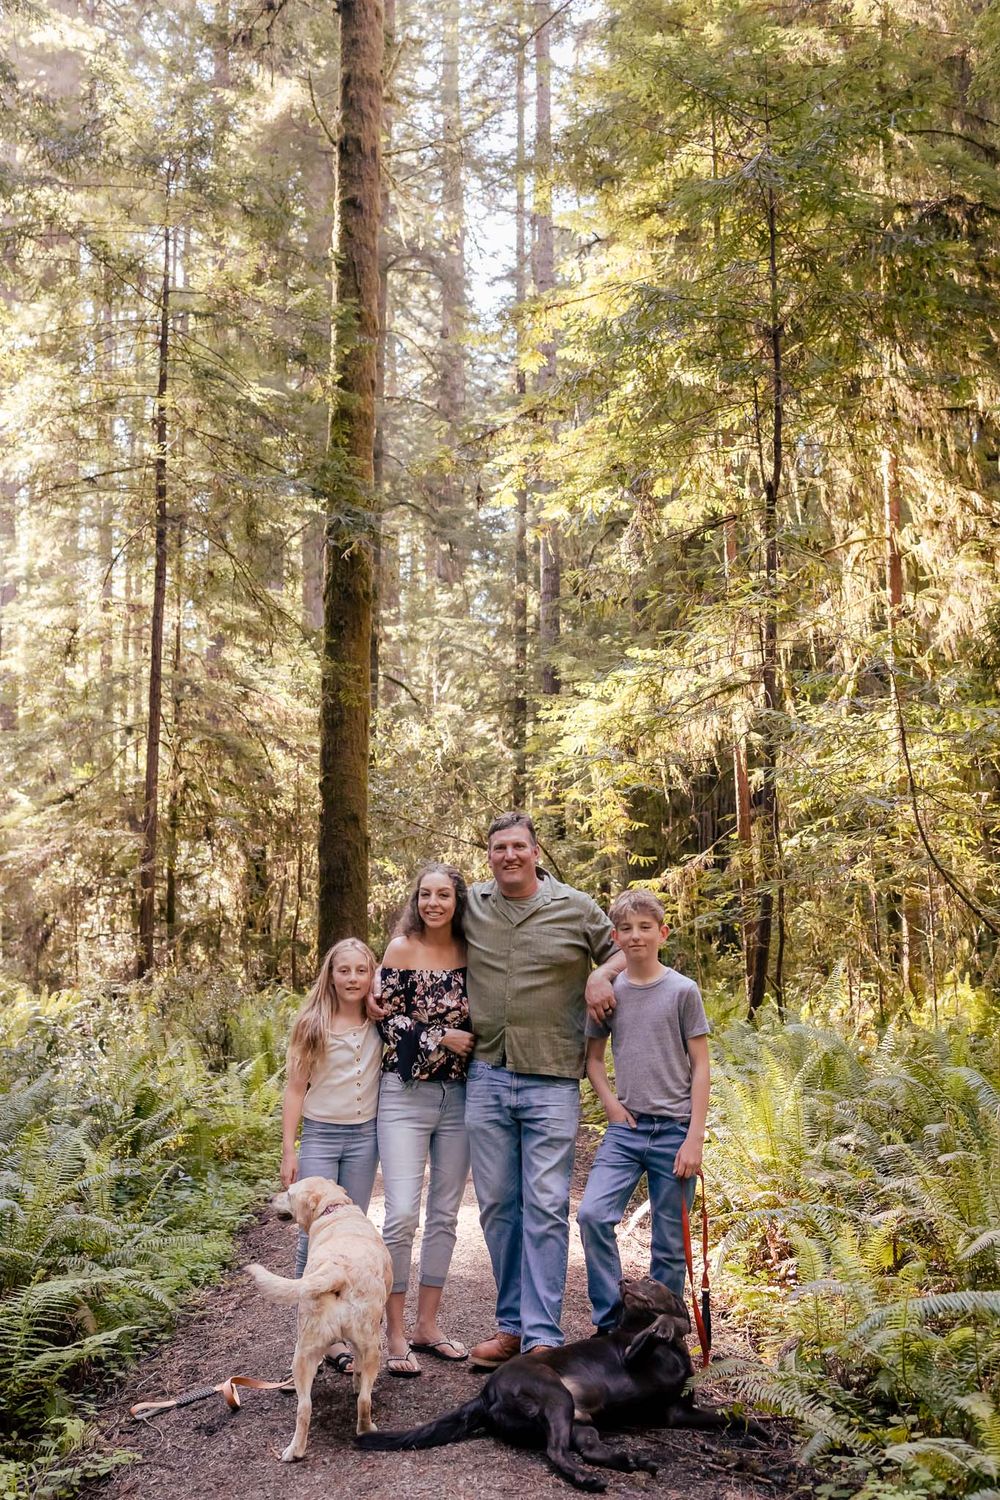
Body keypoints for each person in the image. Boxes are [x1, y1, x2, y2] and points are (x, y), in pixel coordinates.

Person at [462, 811, 626, 1367]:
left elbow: (624, 947)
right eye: (498, 847)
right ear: (489, 855)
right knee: (498, 1207)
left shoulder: (575, 907)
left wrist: (601, 973)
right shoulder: (473, 906)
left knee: (548, 1206)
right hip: (485, 1074)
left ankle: (541, 1335)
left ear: (536, 852)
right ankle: (510, 1326)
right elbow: (420, 933)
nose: (508, 855)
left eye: (518, 847)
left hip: (553, 1076)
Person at [577, 889, 711, 1333]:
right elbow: (594, 1060)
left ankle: (661, 1331)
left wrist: (694, 1137)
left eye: (645, 928)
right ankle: (612, 1324)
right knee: (593, 1215)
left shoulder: (682, 991)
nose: (636, 936)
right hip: (627, 1130)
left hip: (674, 1132)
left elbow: (701, 1065)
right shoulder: (608, 995)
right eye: (627, 929)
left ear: (662, 933)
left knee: (670, 1243)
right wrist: (612, 1106)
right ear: (615, 937)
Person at [376, 862, 474, 1377]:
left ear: (458, 900)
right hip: (404, 1093)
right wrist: (441, 1036)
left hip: (459, 1097)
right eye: (425, 894)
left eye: (444, 895)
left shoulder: (470, 950)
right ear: (415, 899)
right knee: (399, 1216)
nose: (433, 903)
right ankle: (393, 1335)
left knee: (444, 1215)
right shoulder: (400, 950)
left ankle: (427, 1327)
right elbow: (384, 1019)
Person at [281, 936, 382, 1370]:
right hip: (322, 1135)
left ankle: (345, 1330)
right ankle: (311, 1335)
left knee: (350, 1234)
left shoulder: (380, 1021)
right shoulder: (313, 1023)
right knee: (314, 1237)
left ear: (371, 974)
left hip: (365, 1136)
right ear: (331, 974)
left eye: (361, 970)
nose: (353, 978)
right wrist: (290, 1147)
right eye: (345, 970)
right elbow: (294, 1088)